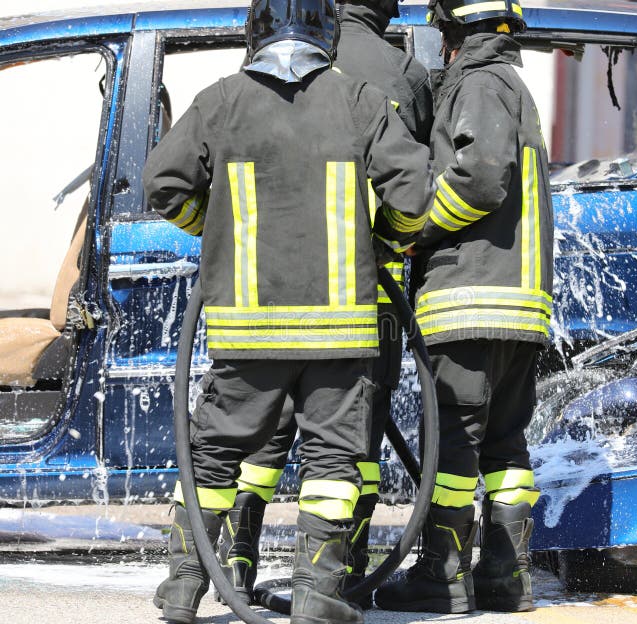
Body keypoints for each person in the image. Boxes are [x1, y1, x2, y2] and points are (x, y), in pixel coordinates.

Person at [142, 0, 434, 621]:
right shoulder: (357, 101)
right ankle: (317, 596)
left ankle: (183, 587)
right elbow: (413, 196)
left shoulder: (220, 100)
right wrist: (379, 241)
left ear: (255, 29)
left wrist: (210, 228)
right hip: (338, 333)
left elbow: (162, 184)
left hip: (245, 331)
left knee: (214, 454)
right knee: (332, 461)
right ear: (327, 29)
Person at [374, 0, 554, 614]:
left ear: (454, 31)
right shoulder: (513, 85)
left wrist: (412, 229)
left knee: (454, 445)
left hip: (469, 300)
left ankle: (440, 577)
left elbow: (479, 177)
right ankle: (505, 579)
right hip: (519, 307)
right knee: (505, 446)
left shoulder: (478, 83)